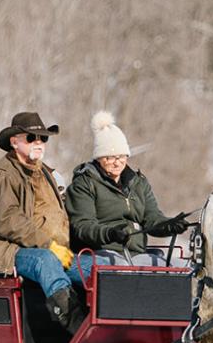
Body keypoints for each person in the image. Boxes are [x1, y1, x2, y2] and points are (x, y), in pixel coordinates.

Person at [0, 111, 90, 329]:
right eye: (31, 138)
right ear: (14, 142)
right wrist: (50, 245)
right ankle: (75, 324)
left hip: (46, 247)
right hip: (5, 250)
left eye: (43, 138)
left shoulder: (44, 172)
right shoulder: (3, 175)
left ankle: (112, 323)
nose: (38, 143)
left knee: (96, 266)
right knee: (45, 262)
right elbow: (9, 222)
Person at [66, 111, 191, 265]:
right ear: (99, 158)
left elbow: (152, 219)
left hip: (136, 253)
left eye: (121, 156)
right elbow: (82, 226)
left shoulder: (139, 183)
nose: (117, 162)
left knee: (182, 266)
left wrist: (170, 225)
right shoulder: (85, 183)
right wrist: (110, 233)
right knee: (122, 267)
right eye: (110, 157)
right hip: (101, 252)